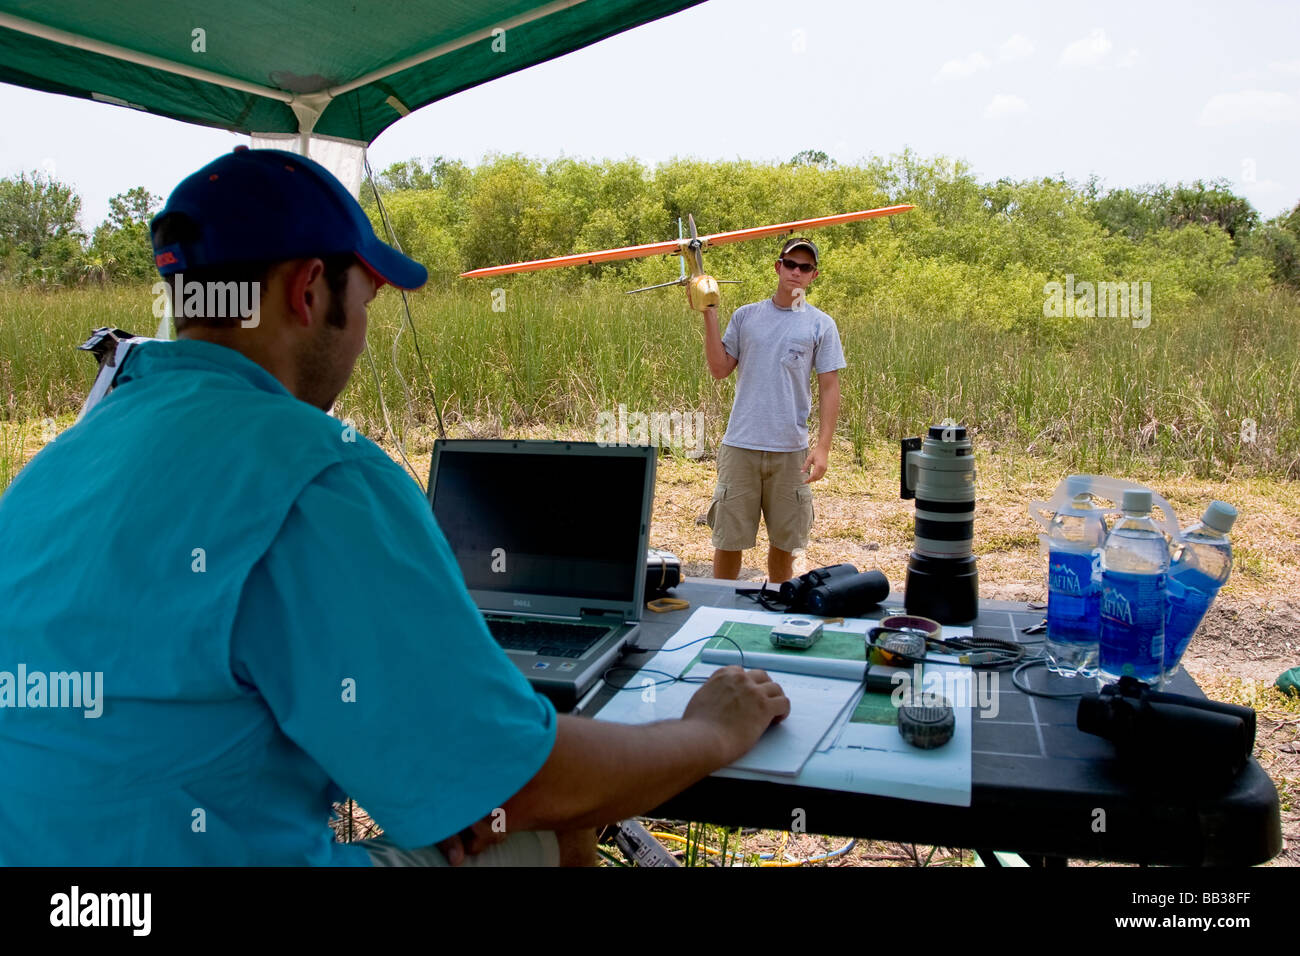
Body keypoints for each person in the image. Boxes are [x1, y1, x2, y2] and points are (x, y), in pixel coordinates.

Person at [0, 147, 788, 867]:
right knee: (548, 825)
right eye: (368, 295)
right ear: (309, 290)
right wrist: (706, 732)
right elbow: (517, 791)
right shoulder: (313, 471)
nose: (366, 328)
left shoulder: (66, 458)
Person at [698, 237, 845, 583]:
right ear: (778, 267)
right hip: (740, 447)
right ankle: (724, 609)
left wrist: (822, 447)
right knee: (729, 541)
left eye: (804, 267)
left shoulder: (820, 324)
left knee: (785, 543)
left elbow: (829, 387)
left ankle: (781, 609)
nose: (796, 272)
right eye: (790, 264)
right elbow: (719, 369)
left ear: (814, 276)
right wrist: (709, 315)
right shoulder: (746, 316)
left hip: (790, 452)